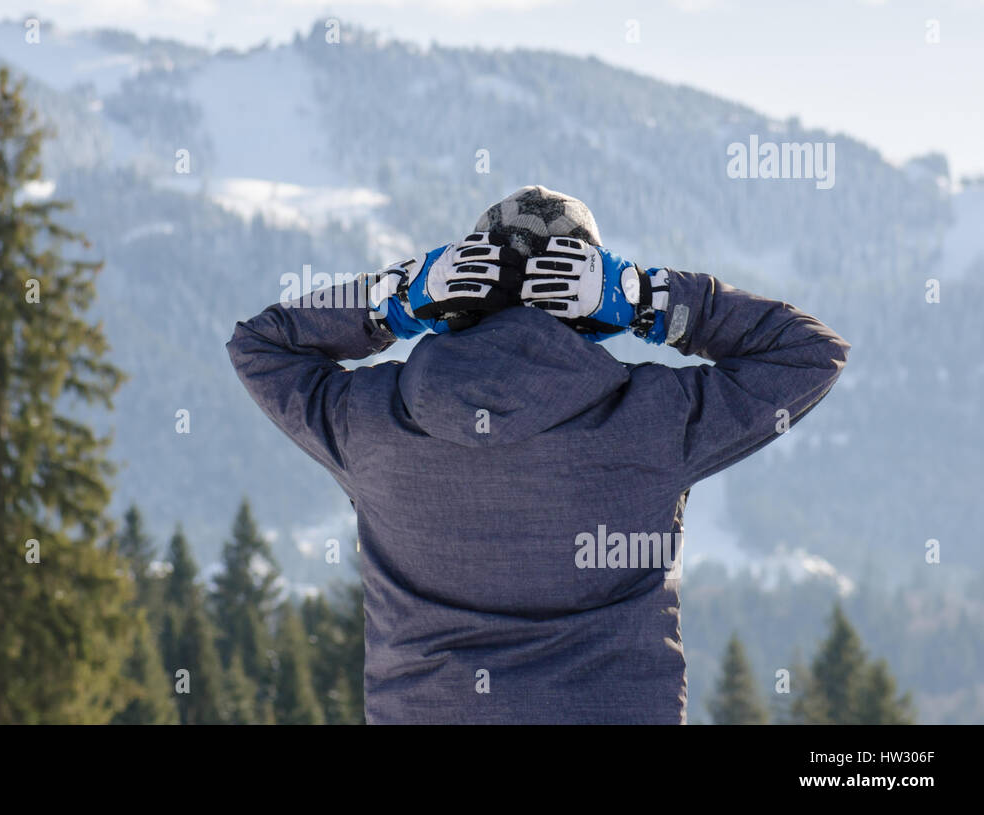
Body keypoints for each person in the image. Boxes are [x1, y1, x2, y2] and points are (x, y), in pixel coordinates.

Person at [226, 186, 849, 724]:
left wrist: (395, 298)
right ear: (589, 300)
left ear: (462, 294)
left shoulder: (372, 420)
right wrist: (647, 300)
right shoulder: (655, 420)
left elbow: (262, 346)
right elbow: (807, 353)